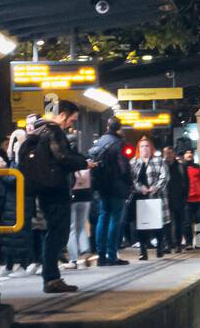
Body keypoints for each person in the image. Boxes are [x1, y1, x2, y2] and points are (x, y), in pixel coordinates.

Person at [20, 100, 88, 292]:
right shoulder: (53, 130)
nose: (71, 124)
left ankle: (50, 276)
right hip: (56, 188)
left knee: (53, 232)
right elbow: (62, 157)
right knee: (58, 233)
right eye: (71, 120)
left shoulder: (36, 130)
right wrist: (84, 163)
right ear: (63, 114)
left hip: (42, 189)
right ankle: (51, 278)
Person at [88, 118, 131, 266]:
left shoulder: (100, 141)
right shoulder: (119, 144)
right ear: (119, 128)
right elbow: (124, 168)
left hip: (101, 186)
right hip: (116, 186)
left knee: (103, 217)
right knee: (115, 219)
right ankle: (112, 255)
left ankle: (101, 256)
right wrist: (128, 183)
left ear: (107, 126)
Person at [130, 137, 170, 260]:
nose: (144, 149)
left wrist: (155, 187)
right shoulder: (134, 162)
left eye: (147, 146)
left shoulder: (159, 160)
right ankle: (143, 251)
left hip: (157, 197)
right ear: (138, 149)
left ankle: (160, 247)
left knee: (158, 224)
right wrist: (140, 188)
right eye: (142, 146)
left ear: (151, 148)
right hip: (140, 198)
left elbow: (165, 176)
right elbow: (131, 179)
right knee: (142, 226)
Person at [66, 131, 94, 269]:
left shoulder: (66, 159)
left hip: (72, 196)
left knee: (71, 228)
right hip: (86, 196)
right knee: (81, 226)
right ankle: (85, 250)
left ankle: (73, 259)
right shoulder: (82, 158)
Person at [163, 146, 188, 252]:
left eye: (170, 153)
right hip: (165, 199)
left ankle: (177, 243)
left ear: (174, 154)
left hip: (178, 199)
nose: (168, 155)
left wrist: (185, 198)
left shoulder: (181, 167)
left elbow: (186, 183)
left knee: (178, 222)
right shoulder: (162, 166)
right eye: (165, 153)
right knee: (166, 223)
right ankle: (168, 244)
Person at [185, 150, 200, 245]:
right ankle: (188, 243)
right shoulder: (182, 167)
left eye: (190, 153)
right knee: (187, 222)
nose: (189, 154)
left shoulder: (197, 167)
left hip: (199, 199)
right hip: (187, 199)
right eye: (187, 153)